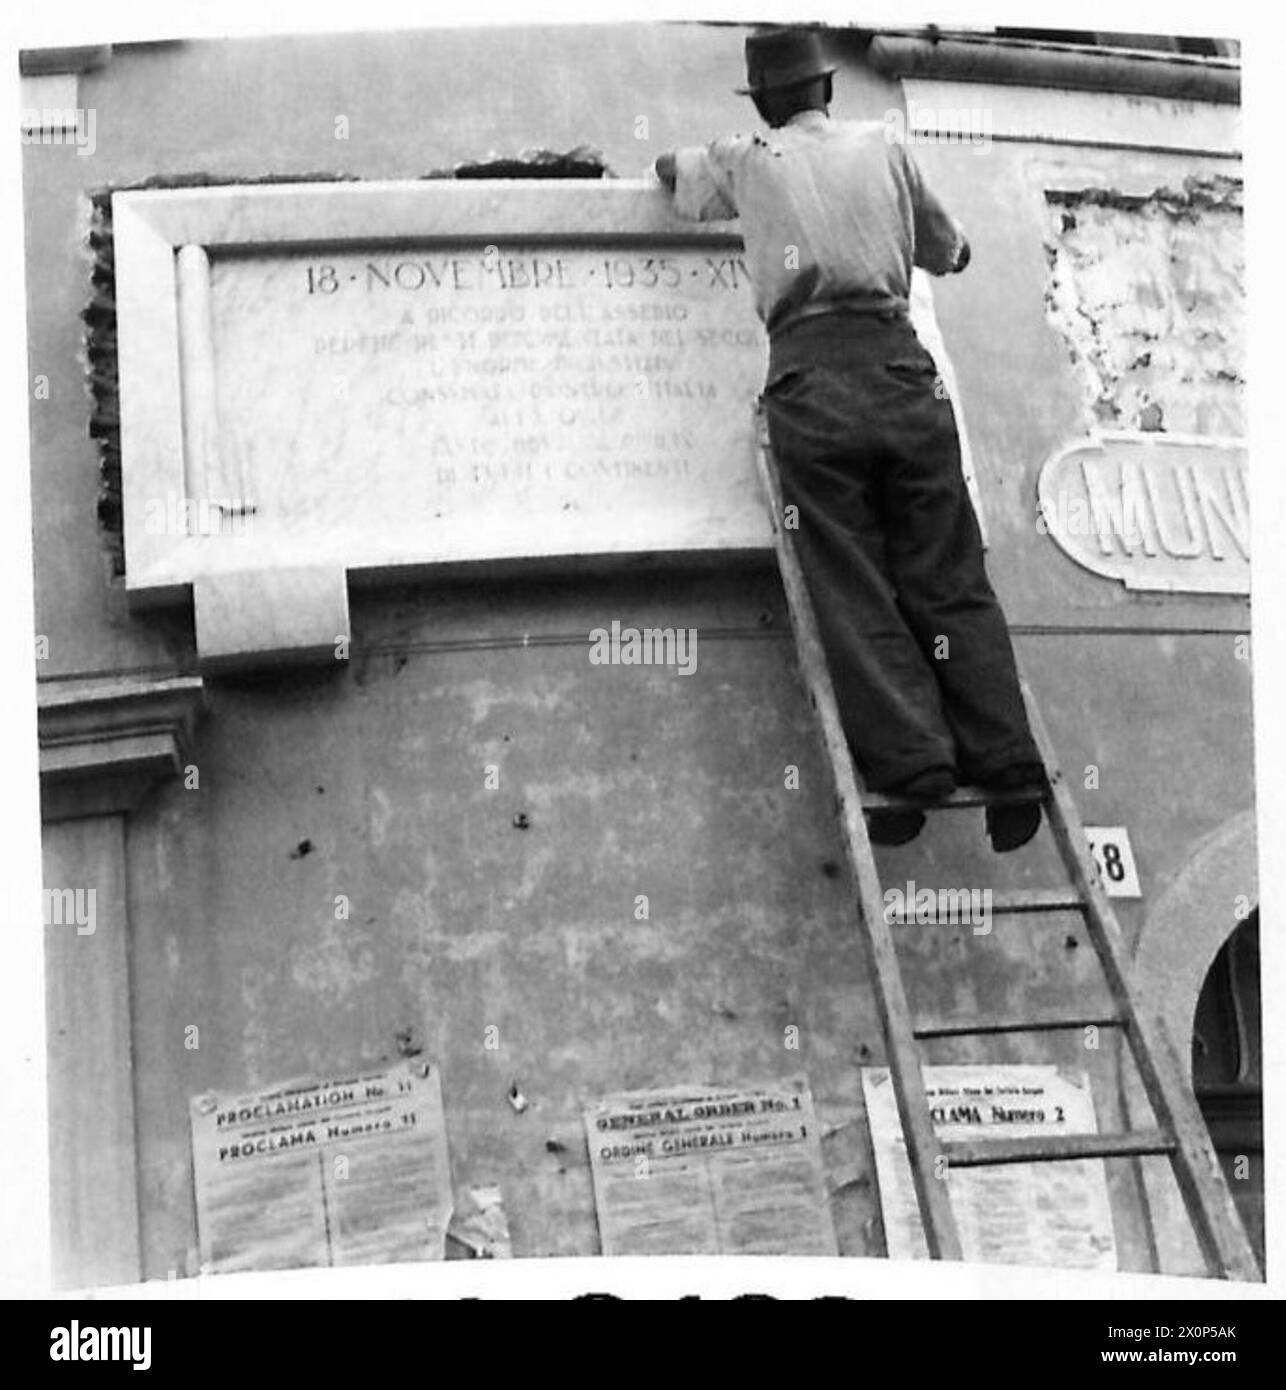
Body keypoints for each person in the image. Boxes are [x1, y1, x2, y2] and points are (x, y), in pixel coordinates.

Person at [655, 26, 1046, 851]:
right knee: (947, 573)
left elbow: (671, 174)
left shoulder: (748, 156)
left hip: (811, 384)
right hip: (902, 374)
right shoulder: (888, 148)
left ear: (764, 101)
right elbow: (954, 250)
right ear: (828, 90)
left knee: (851, 579)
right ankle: (1010, 771)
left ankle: (908, 770)